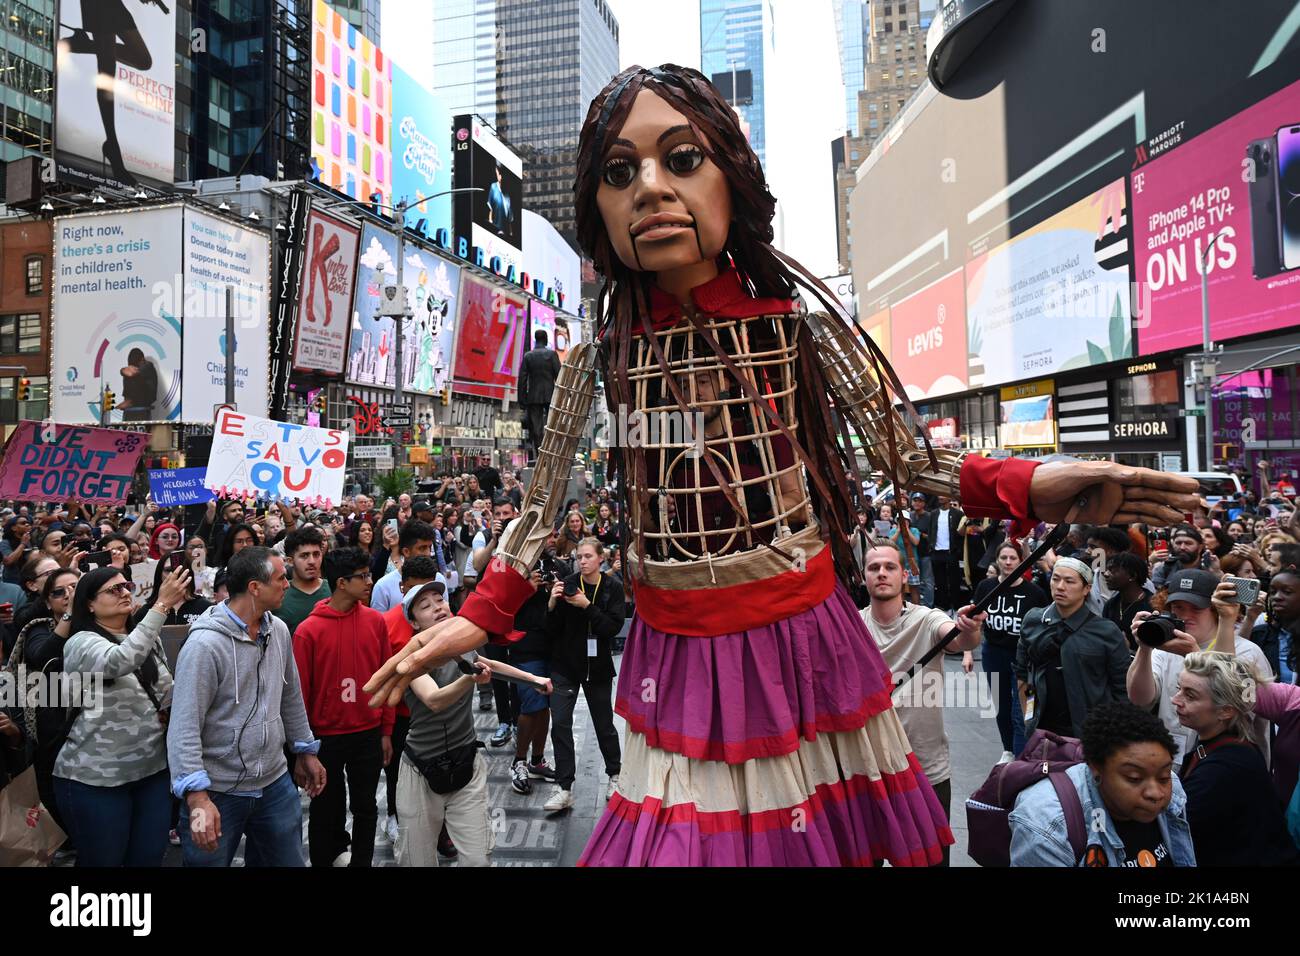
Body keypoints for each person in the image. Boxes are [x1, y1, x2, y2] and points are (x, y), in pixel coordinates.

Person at [365, 64, 1200, 867]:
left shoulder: (794, 330)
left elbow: (907, 458)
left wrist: (1031, 481)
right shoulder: (596, 363)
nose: (651, 188)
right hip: (673, 650)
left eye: (682, 159)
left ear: (731, 178)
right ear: (600, 208)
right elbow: (541, 508)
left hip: (798, 639)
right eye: (621, 172)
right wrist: (483, 609)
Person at [168, 547, 326, 867]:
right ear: (255, 587)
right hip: (216, 792)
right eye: (281, 578)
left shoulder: (278, 630)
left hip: (275, 784)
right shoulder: (204, 646)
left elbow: (290, 695)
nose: (287, 583)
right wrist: (197, 796)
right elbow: (184, 725)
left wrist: (305, 749)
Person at [860, 542, 985, 864]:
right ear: (864, 577)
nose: (882, 573)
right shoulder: (854, 628)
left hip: (925, 771)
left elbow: (957, 639)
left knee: (928, 862)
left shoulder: (927, 619)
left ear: (905, 576)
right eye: (874, 568)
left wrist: (969, 629)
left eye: (889, 567)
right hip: (868, 770)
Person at [54, 564, 186, 866]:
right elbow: (120, 661)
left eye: (126, 585)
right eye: (114, 589)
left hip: (151, 773)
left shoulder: (143, 635)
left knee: (148, 858)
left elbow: (166, 685)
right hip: (96, 781)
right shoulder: (80, 642)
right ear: (88, 603)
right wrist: (162, 604)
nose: (125, 592)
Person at [293, 546, 394, 867]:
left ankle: (361, 862)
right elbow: (298, 695)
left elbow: (387, 677)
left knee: (366, 807)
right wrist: (303, 748)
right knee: (325, 808)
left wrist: (386, 731)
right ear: (340, 583)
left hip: (367, 733)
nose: (369, 581)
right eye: (362, 576)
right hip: (325, 738)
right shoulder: (308, 631)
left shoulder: (375, 623)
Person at [1009, 702, 1195, 867]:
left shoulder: (1174, 787)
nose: (1156, 793)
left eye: (1163, 777)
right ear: (1096, 768)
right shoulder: (1047, 828)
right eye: (1134, 778)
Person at [1128, 568, 1273, 769]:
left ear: (1215, 608)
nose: (1185, 615)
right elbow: (1140, 700)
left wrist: (1193, 656)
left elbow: (1244, 709)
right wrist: (1144, 647)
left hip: (1230, 765)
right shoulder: (1165, 647)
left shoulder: (1248, 652)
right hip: (1172, 764)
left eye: (1196, 608)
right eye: (1177, 607)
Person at [1172, 646, 1299, 866]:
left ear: (1226, 711)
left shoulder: (1225, 770)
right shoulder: (1225, 748)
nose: (1175, 699)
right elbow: (1240, 689)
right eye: (1178, 689)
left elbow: (1175, 829)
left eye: (1190, 695)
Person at [542, 537, 626, 812]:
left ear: (601, 558)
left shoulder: (612, 587)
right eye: (580, 556)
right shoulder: (569, 583)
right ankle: (564, 786)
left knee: (604, 724)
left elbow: (611, 628)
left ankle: (615, 775)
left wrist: (585, 605)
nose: (583, 561)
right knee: (561, 724)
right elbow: (551, 629)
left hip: (597, 666)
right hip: (565, 665)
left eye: (588, 556)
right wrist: (553, 605)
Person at [1016, 557, 1130, 738]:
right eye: (1056, 579)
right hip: (1042, 731)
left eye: (1069, 581)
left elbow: (1122, 689)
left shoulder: (1106, 631)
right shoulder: (1033, 620)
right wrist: (1029, 717)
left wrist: (1112, 733)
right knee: (1043, 768)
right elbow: (1025, 676)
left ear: (1086, 589)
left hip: (1091, 733)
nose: (1060, 586)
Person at [7, 567, 79, 828]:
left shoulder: (101, 627)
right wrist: (70, 613)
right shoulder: (38, 628)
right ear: (48, 602)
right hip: (54, 728)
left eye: (75, 588)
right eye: (59, 592)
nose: (68, 595)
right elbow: (42, 656)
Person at [377, 556, 442, 847]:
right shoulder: (386, 624)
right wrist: (385, 731)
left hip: (438, 712)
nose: (425, 600)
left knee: (439, 770)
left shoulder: (446, 619)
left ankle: (441, 829)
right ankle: (394, 815)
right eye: (416, 592)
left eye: (431, 593)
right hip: (401, 714)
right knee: (398, 772)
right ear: (403, 589)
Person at [973, 541, 1049, 761]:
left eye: (1013, 558)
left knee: (1023, 710)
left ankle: (1021, 756)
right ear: (997, 560)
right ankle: (1008, 750)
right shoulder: (985, 587)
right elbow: (974, 621)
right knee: (1002, 706)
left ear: (1021, 560)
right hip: (993, 654)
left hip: (1026, 659)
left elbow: (1044, 625)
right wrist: (969, 652)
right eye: (1004, 558)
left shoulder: (1034, 592)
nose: (1008, 562)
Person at [371, 521, 440, 614]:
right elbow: (379, 625)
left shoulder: (439, 579)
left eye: (429, 547)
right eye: (422, 548)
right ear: (406, 551)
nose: (428, 553)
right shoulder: (383, 586)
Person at [274, 526, 331, 635]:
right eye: (304, 555)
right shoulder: (277, 595)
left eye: (316, 554)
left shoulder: (334, 591)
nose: (312, 561)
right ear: (290, 561)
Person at [519, 329, 562, 459]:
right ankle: (552, 451)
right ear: (546, 339)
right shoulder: (552, 354)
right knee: (552, 424)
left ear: (535, 339)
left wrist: (522, 400)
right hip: (551, 396)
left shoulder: (528, 356)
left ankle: (540, 455)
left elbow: (522, 379)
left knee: (536, 429)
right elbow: (560, 376)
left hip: (534, 397)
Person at [1101, 552, 1153, 651]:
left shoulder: (1152, 606)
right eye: (1107, 569)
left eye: (1113, 570)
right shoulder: (1111, 605)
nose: (1106, 574)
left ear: (1132, 576)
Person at [928, 496, 966, 613]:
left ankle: (956, 607)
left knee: (954, 581)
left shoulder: (957, 513)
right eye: (938, 495)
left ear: (950, 498)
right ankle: (945, 607)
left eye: (943, 495)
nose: (940, 497)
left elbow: (960, 533)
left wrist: (957, 549)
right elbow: (930, 531)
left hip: (951, 552)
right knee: (940, 582)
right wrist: (931, 546)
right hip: (937, 552)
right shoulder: (933, 513)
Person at [1151, 525, 1215, 590]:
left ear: (1200, 548)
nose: (1182, 547)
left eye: (1188, 543)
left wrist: (1217, 573)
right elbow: (1156, 595)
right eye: (1178, 543)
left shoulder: (1210, 568)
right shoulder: (1163, 568)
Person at [908, 492, 937, 607]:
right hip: (912, 554)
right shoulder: (909, 515)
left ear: (924, 503)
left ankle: (928, 606)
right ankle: (917, 606)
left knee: (927, 580)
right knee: (914, 582)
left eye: (920, 500)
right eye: (915, 500)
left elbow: (933, 535)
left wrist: (921, 535)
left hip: (925, 553)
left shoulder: (929, 516)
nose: (917, 503)